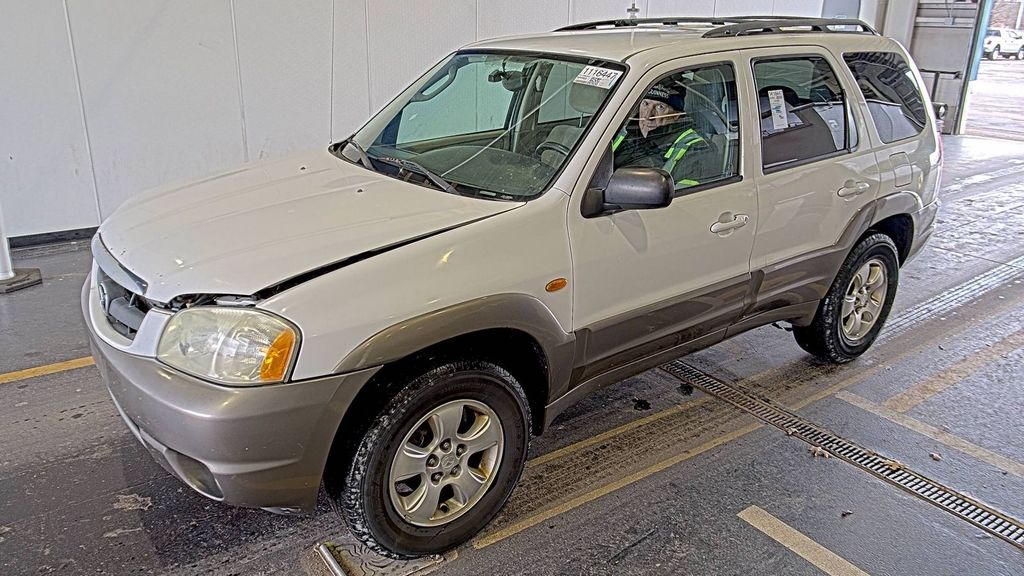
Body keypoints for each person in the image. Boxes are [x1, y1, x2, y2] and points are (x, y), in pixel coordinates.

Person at [612, 83, 708, 188]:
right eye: (645, 104)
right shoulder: (618, 133)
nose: (648, 116)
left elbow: (684, 195)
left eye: (660, 107)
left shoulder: (697, 148)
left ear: (676, 115)